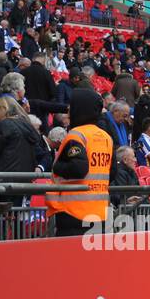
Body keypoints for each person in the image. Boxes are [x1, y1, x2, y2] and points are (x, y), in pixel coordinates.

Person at [45, 88, 112, 236]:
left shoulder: (76, 135)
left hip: (73, 212)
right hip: (99, 212)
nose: (68, 110)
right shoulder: (106, 137)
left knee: (69, 258)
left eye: (72, 106)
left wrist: (57, 166)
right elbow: (112, 172)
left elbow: (79, 168)